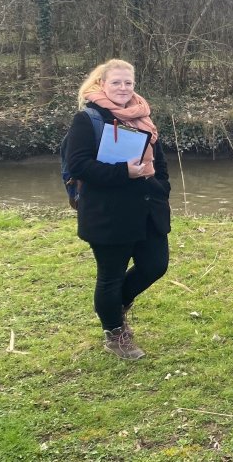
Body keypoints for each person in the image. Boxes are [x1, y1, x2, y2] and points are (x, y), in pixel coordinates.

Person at [65, 59, 171, 360]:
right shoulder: (88, 119)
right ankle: (114, 331)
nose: (123, 88)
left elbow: (159, 161)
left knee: (156, 265)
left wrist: (162, 186)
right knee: (110, 276)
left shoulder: (143, 117)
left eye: (129, 83)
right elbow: (79, 166)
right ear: (101, 84)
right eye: (116, 83)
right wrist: (125, 172)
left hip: (149, 208)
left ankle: (112, 305)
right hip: (108, 213)